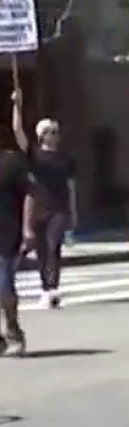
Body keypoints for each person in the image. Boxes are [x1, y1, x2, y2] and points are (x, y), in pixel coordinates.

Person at [11, 93, 76, 309]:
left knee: (53, 245)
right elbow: (18, 133)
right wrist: (17, 106)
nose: (55, 135)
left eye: (57, 132)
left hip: (59, 209)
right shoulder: (35, 156)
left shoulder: (66, 159)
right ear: (41, 136)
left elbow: (70, 185)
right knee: (41, 250)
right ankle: (45, 289)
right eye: (51, 132)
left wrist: (73, 213)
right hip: (39, 208)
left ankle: (53, 288)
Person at [0, 137, 37, 356]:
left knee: (3, 285)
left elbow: (30, 193)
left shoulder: (11, 162)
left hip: (6, 232)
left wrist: (28, 229)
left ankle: (13, 329)